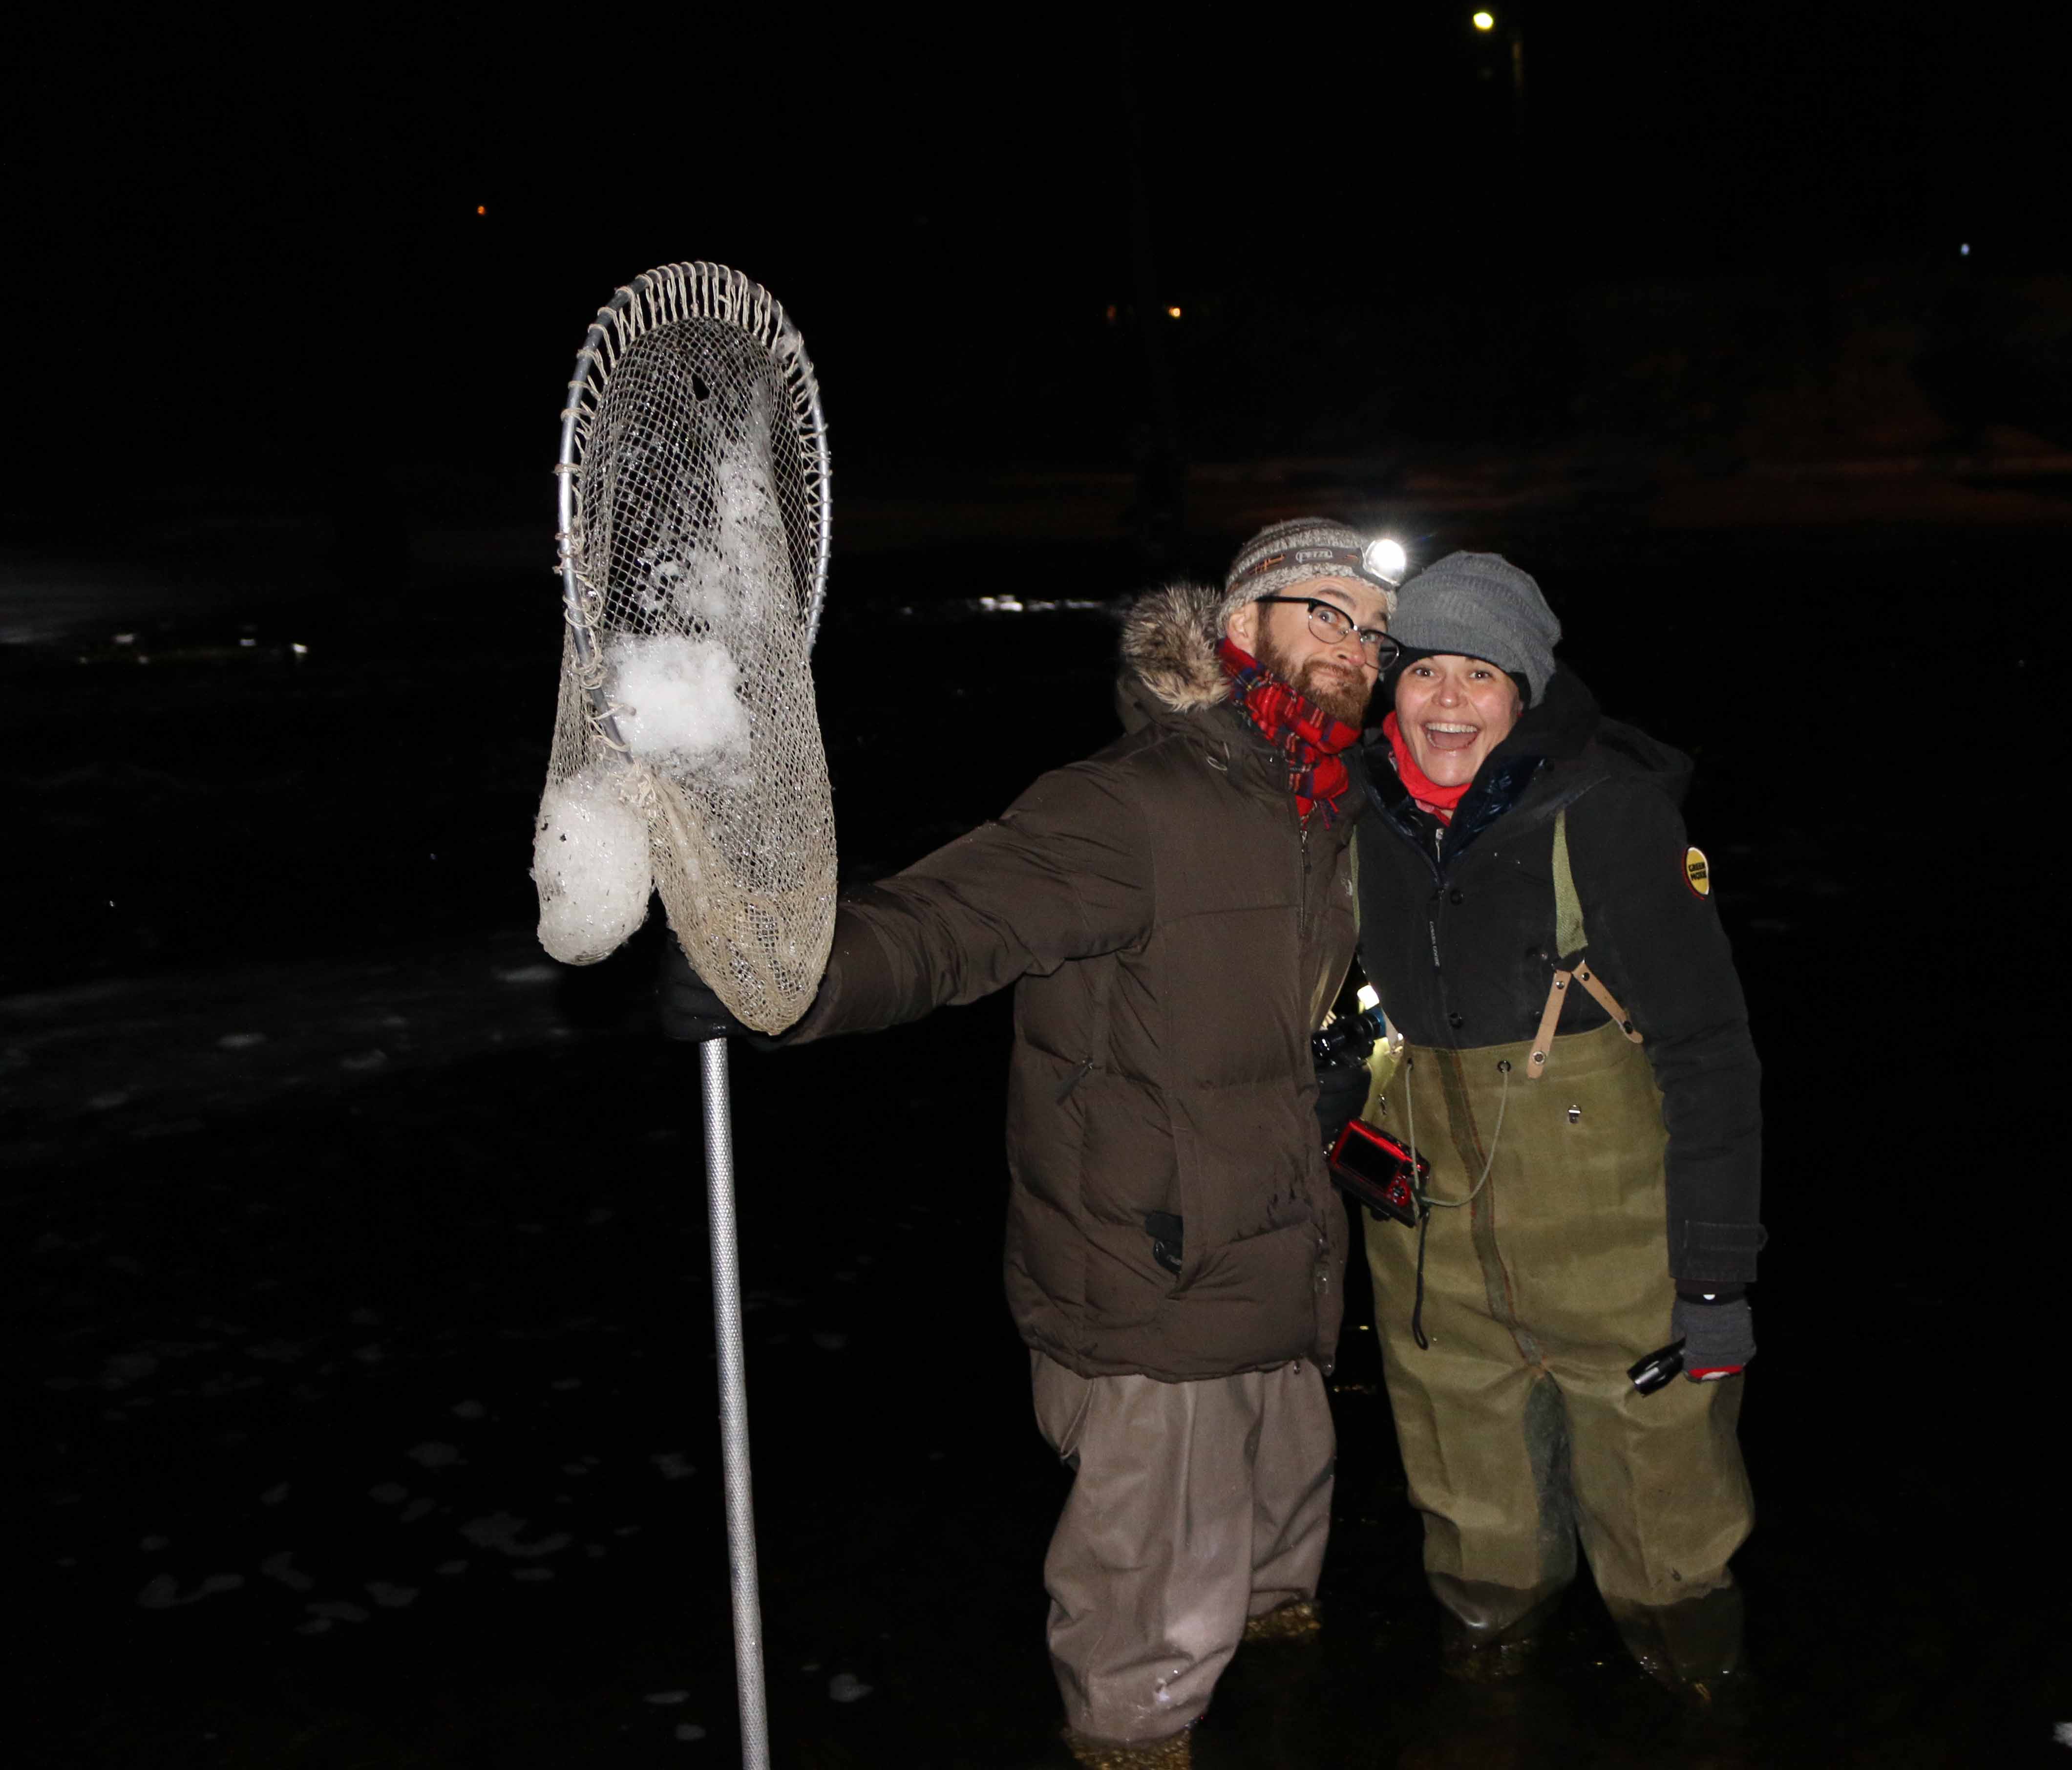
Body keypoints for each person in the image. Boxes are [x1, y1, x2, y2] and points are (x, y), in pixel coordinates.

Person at [661, 517, 1404, 1769]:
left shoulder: (1321, 805)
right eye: (1324, 611)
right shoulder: (1135, 803)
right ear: (1238, 632)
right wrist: (776, 978)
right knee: (1151, 1605)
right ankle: (1128, 1745)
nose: (1357, 646)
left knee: (1278, 1534)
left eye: (1374, 632)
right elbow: (946, 923)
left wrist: (1336, 1085)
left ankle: (1282, 1701)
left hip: (1280, 1252)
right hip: (1154, 1265)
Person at [1345, 552, 1765, 1702]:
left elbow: (1711, 1056)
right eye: (1424, 669)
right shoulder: (1349, 814)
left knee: (1670, 1567)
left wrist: (1718, 1286)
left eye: (1477, 674)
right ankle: (1486, 1716)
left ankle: (1702, 1714)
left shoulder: (1609, 815)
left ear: (1523, 690)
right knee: (1477, 1571)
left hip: (1622, 1276)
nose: (1443, 701)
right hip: (1436, 1279)